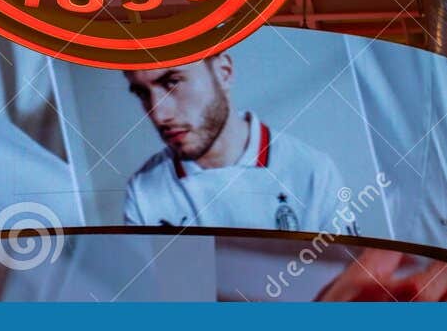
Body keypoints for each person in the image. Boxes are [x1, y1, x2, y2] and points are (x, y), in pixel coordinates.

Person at [121, 53, 348, 233]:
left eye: (172, 83)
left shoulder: (313, 171)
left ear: (224, 72)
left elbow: (350, 271)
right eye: (142, 93)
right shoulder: (142, 191)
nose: (159, 115)